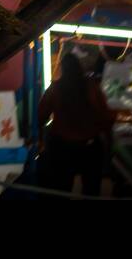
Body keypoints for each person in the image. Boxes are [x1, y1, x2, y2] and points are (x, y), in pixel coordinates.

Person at [36, 50, 115, 197]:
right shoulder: (91, 87)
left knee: (61, 190)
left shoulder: (56, 88)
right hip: (89, 146)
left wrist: (41, 139)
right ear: (79, 67)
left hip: (62, 147)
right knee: (91, 191)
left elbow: (40, 116)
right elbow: (105, 116)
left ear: (62, 69)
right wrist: (109, 142)